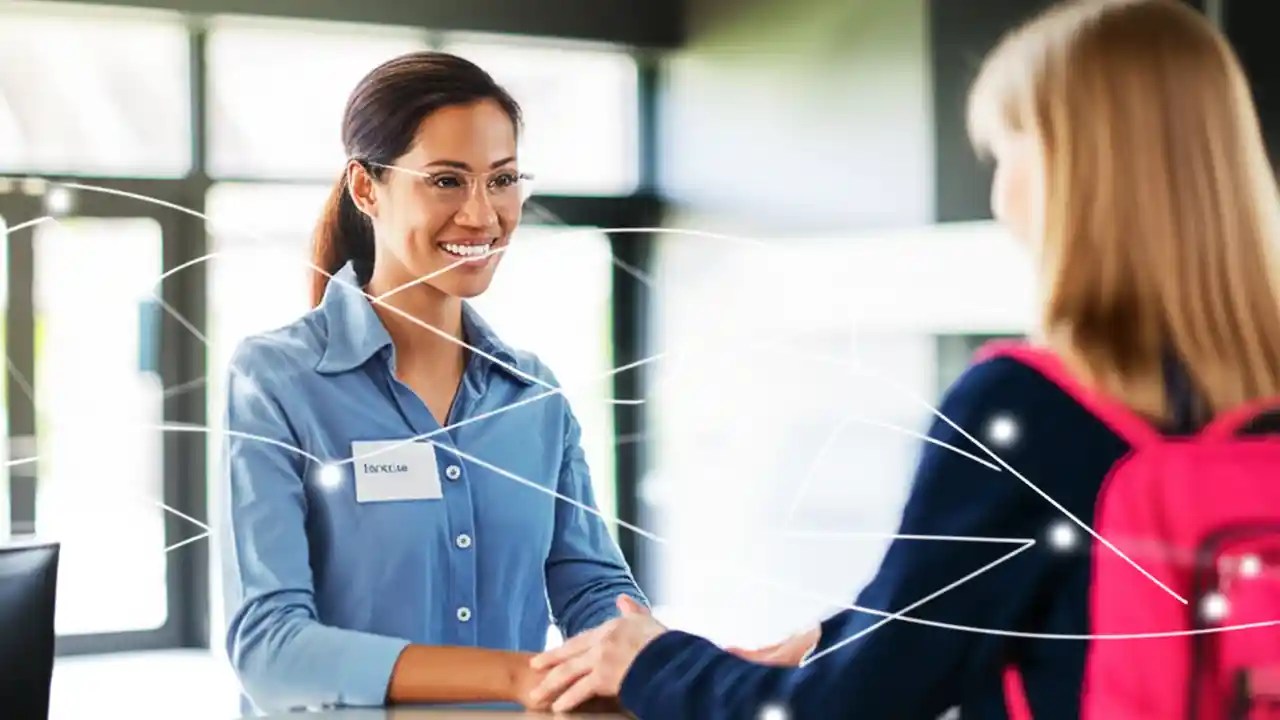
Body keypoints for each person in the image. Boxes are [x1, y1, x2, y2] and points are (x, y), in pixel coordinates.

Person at [526, 0, 1280, 717]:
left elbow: (842, 709)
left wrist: (653, 661)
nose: (1001, 191)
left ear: (1075, 169)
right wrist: (840, 637)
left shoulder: (1029, 407)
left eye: (1010, 149)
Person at [219, 50, 645, 714]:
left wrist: (674, 664)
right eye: (447, 180)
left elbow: (593, 593)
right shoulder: (277, 380)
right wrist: (513, 676)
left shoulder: (535, 397)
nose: (482, 214)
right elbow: (271, 650)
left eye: (502, 180)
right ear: (366, 189)